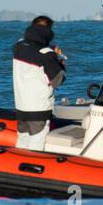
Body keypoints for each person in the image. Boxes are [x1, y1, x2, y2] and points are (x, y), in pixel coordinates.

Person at [12, 16, 66, 150]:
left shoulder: (18, 46)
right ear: (47, 31)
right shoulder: (47, 54)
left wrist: (50, 50)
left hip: (21, 105)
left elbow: (33, 50)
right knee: (37, 142)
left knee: (23, 139)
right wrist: (60, 63)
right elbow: (57, 81)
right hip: (38, 108)